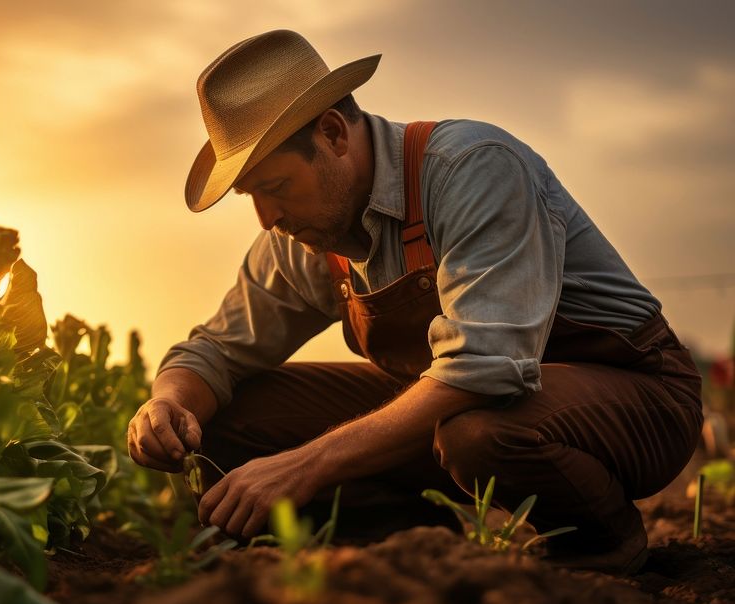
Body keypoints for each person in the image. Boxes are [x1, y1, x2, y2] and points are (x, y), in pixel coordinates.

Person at [126, 29, 703, 573]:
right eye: (252, 197)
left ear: (333, 134)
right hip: (464, 403)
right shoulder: (302, 237)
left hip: (639, 395)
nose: (267, 218)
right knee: (229, 418)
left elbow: (486, 372)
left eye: (276, 188)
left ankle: (601, 544)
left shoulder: (472, 168)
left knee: (478, 434)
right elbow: (213, 352)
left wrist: (306, 464)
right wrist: (169, 403)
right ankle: (411, 541)